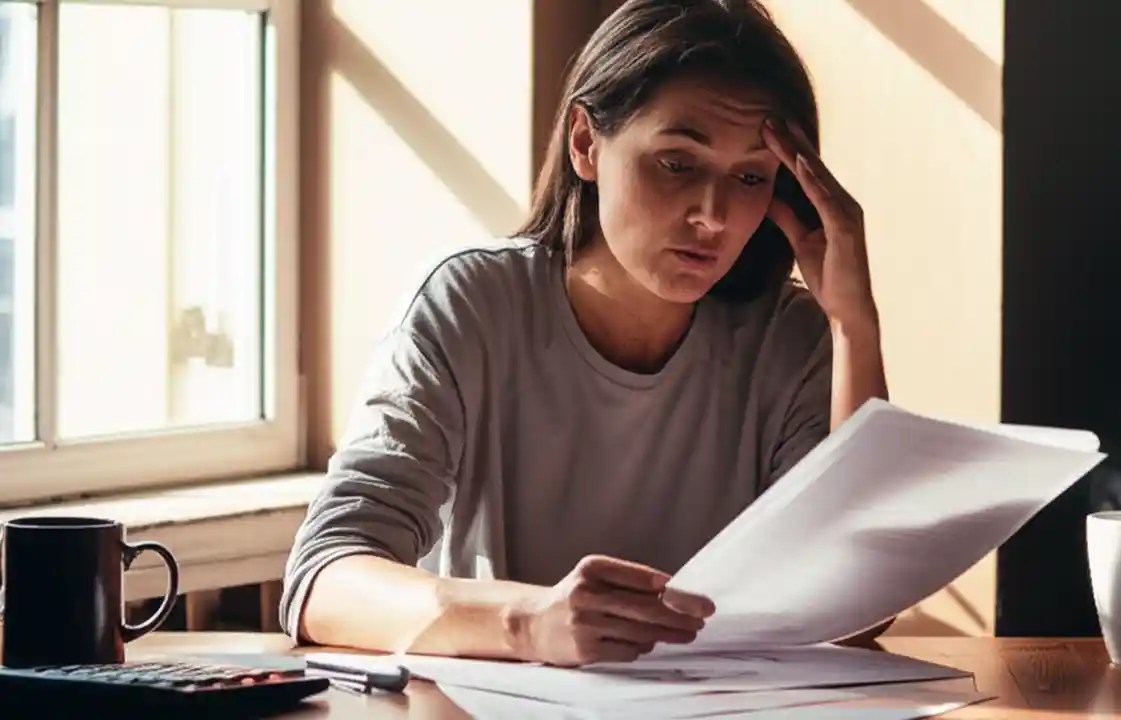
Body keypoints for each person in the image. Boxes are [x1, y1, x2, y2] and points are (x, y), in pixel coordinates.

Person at [281, 0, 890, 667]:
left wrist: (854, 327)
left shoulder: (788, 337)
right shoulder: (471, 308)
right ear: (585, 143)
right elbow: (325, 580)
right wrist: (529, 623)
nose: (714, 216)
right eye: (678, 163)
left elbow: (857, 613)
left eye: (750, 177)